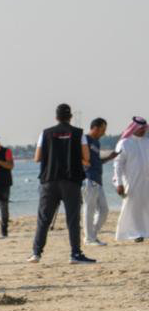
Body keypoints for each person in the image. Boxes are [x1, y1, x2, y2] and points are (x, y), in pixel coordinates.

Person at [29, 104, 96, 264]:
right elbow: (86, 158)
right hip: (71, 180)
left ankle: (36, 253)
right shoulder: (79, 133)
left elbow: (37, 158)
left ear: (56, 117)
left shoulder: (45, 133)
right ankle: (75, 254)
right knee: (72, 219)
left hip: (49, 180)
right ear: (70, 117)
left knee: (44, 219)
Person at [82, 118, 120, 246]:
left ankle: (92, 235)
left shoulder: (96, 143)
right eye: (103, 130)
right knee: (89, 209)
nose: (104, 133)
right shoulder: (85, 139)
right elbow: (77, 156)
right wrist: (84, 165)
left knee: (104, 210)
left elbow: (97, 161)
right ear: (95, 128)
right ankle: (89, 239)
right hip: (88, 178)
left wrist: (109, 157)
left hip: (98, 180)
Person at [113, 116, 149, 242]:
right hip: (131, 181)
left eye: (145, 128)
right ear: (134, 128)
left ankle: (145, 231)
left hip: (147, 181)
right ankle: (134, 233)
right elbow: (117, 165)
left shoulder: (147, 142)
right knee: (132, 207)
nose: (143, 130)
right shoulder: (124, 143)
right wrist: (119, 183)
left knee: (146, 206)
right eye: (141, 128)